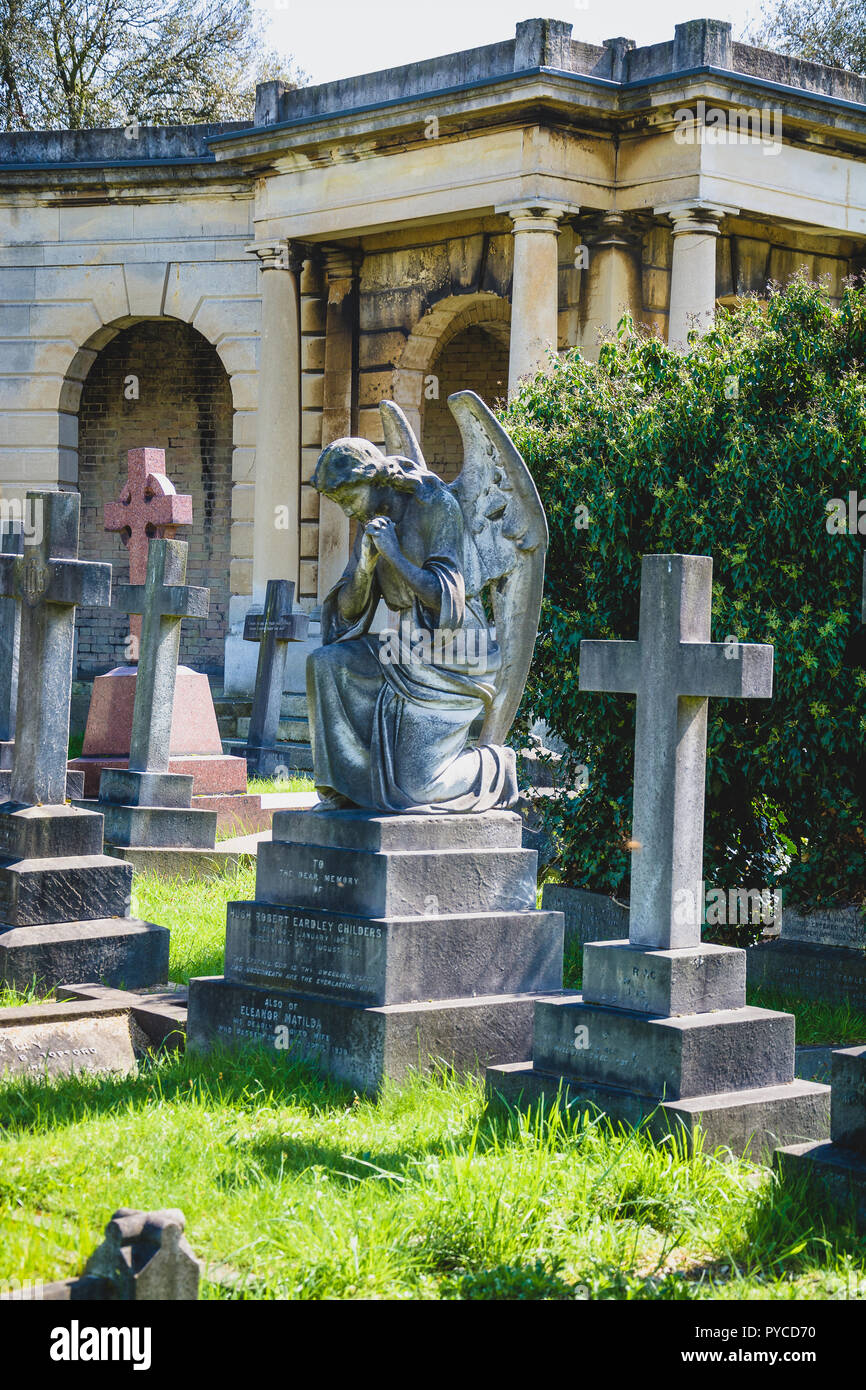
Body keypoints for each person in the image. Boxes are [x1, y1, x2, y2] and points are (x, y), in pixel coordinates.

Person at [307, 437, 518, 813]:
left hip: (455, 653)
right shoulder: (369, 519)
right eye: (338, 502)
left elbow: (445, 597)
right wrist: (365, 566)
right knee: (327, 663)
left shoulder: (435, 505)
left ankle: (496, 768)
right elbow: (348, 612)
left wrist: (393, 553)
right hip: (404, 649)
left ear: (374, 480)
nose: (346, 509)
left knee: (419, 788)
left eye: (348, 497)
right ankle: (347, 789)